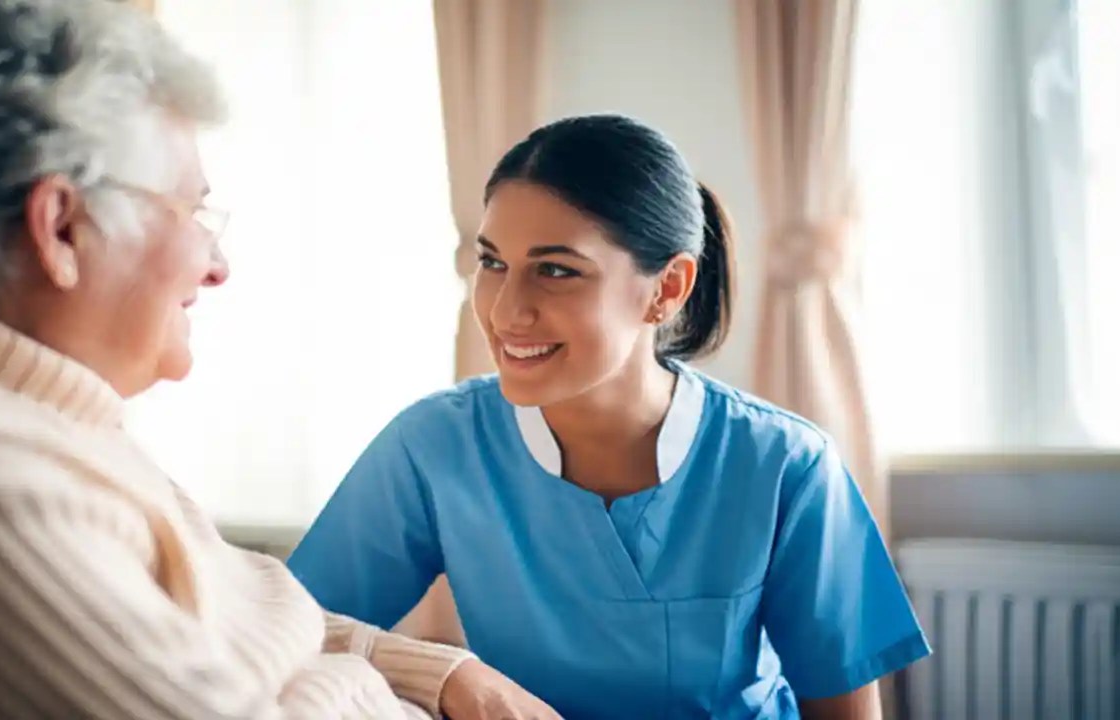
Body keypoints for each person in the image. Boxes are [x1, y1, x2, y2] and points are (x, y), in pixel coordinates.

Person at [0, 1, 550, 717]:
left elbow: (234, 610)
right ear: (61, 228)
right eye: (190, 212)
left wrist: (437, 672)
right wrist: (369, 687)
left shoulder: (53, 434)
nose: (217, 264)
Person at [289, 114, 932, 719]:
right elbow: (288, 632)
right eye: (492, 263)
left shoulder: (785, 465)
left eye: (557, 270)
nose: (507, 311)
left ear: (667, 288)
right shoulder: (434, 448)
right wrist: (449, 674)